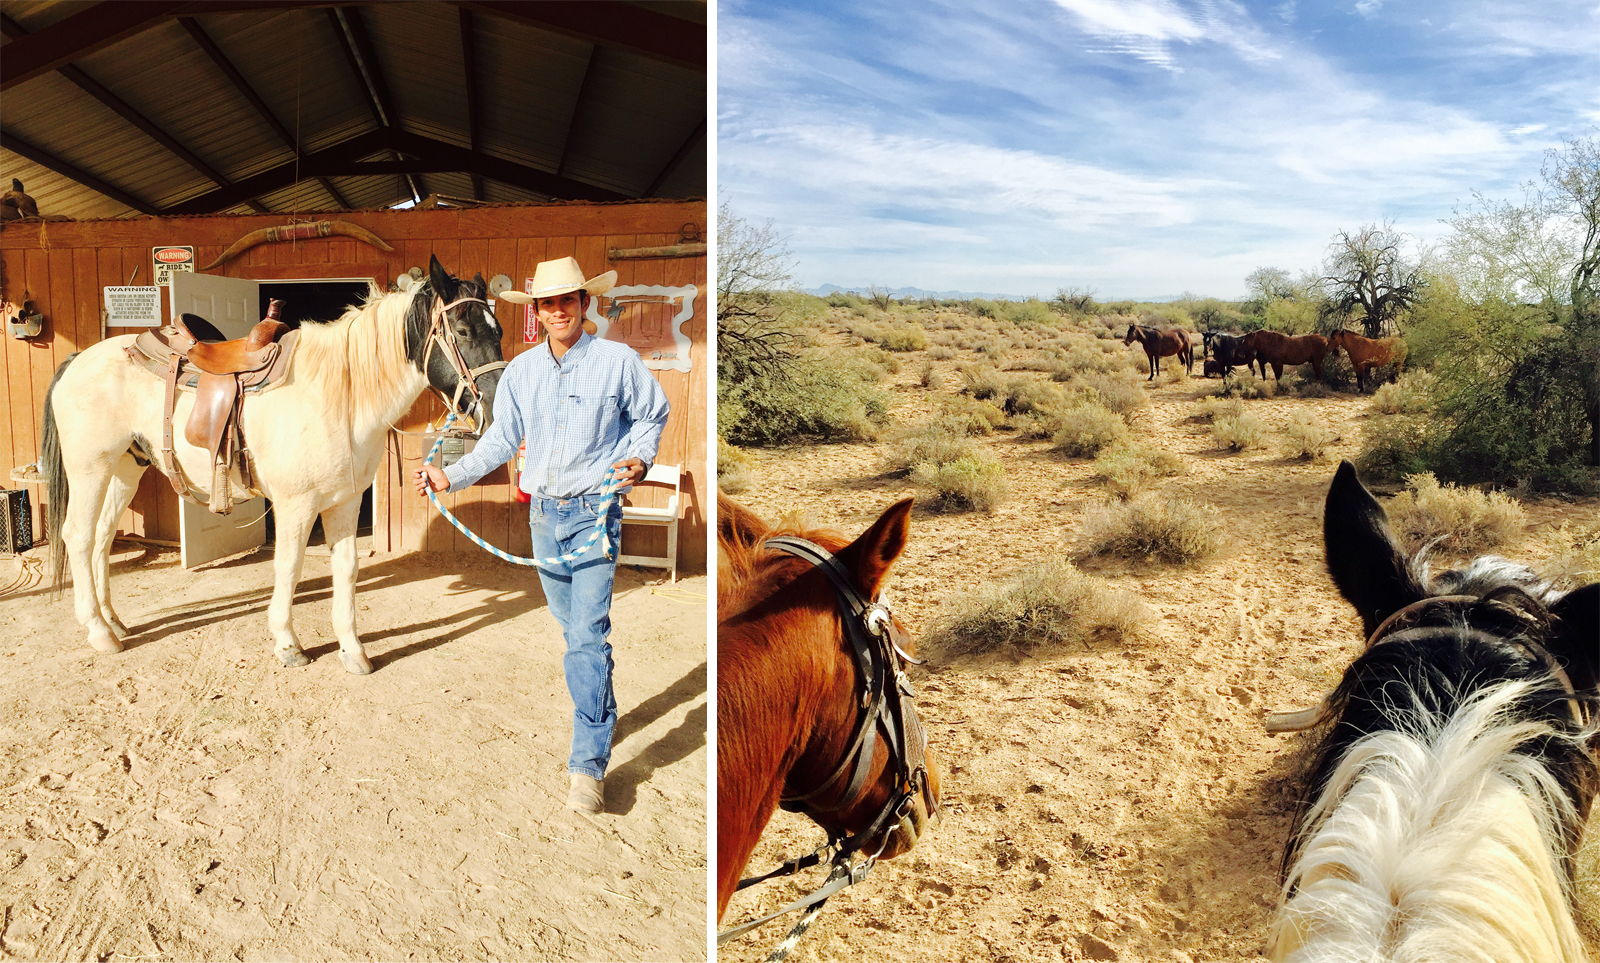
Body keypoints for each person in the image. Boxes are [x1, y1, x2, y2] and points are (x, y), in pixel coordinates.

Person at [413, 256, 670, 814]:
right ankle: (600, 704)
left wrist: (639, 458)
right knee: (574, 634)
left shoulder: (617, 362)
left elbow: (653, 414)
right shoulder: (522, 373)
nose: (558, 311)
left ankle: (587, 764)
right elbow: (499, 440)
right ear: (536, 311)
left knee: (585, 637)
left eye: (567, 300)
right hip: (544, 521)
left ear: (584, 303)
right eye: (547, 303)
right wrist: (448, 475)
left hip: (594, 516)